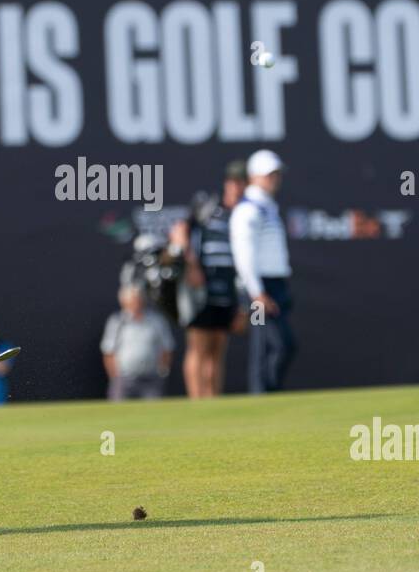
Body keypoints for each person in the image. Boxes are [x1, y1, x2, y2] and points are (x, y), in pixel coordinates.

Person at [171, 160, 247, 398]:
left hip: (228, 289)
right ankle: (197, 402)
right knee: (198, 347)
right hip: (200, 287)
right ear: (227, 183)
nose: (238, 187)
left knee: (217, 347)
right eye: (234, 182)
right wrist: (191, 264)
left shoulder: (245, 213)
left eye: (243, 182)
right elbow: (179, 230)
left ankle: (214, 401)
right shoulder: (207, 206)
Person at [230, 149, 295, 393]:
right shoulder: (248, 210)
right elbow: (243, 255)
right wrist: (257, 292)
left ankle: (267, 392)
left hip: (274, 285)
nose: (274, 179)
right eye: (269, 174)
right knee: (272, 344)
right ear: (254, 177)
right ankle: (262, 393)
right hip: (259, 289)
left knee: (270, 343)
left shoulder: (268, 207)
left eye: (276, 174)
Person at [101, 284, 174, 400]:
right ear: (124, 302)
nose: (136, 303)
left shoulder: (157, 320)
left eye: (138, 299)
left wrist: (162, 372)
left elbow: (167, 348)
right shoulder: (116, 322)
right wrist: (115, 377)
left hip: (152, 380)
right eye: (132, 301)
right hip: (124, 380)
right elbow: (108, 352)